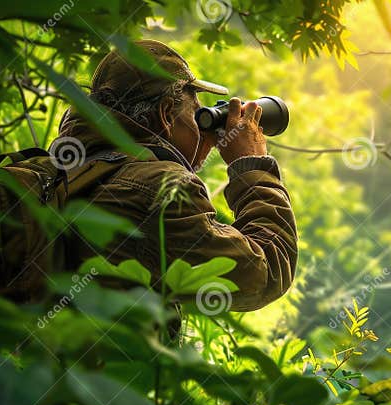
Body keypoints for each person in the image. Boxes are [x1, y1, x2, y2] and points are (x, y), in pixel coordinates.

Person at [54, 40, 298, 311]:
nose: (200, 126)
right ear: (166, 114)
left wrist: (189, 155)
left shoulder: (65, 170)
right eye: (195, 113)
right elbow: (265, 272)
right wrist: (251, 165)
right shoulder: (162, 190)